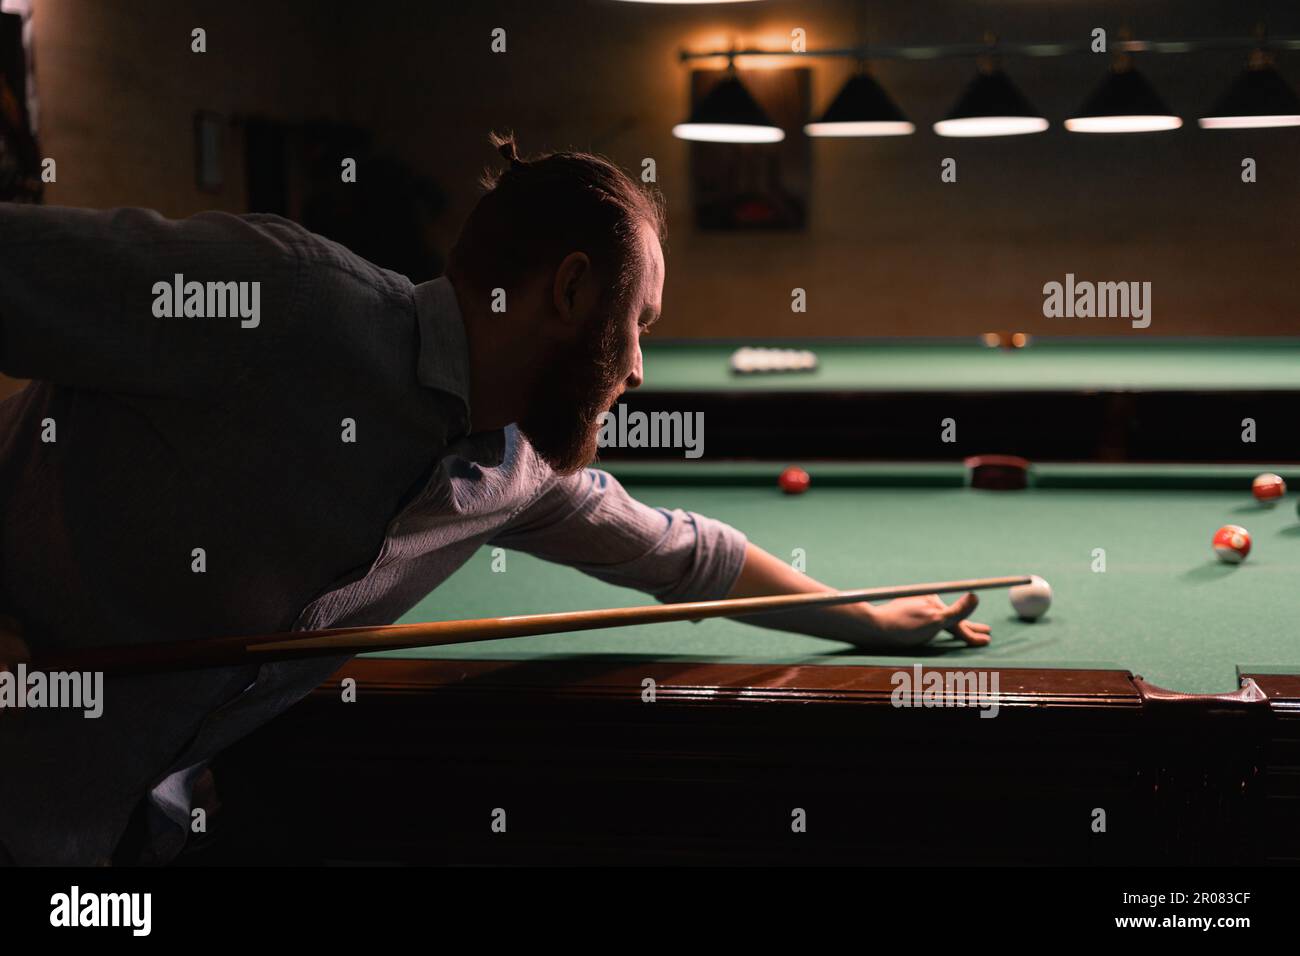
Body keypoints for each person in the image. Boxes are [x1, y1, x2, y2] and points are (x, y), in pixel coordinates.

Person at [0, 132, 989, 865]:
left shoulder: (511, 470)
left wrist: (863, 615)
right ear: (566, 291)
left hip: (111, 828)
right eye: (637, 324)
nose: (639, 369)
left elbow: (682, 552)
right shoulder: (279, 297)